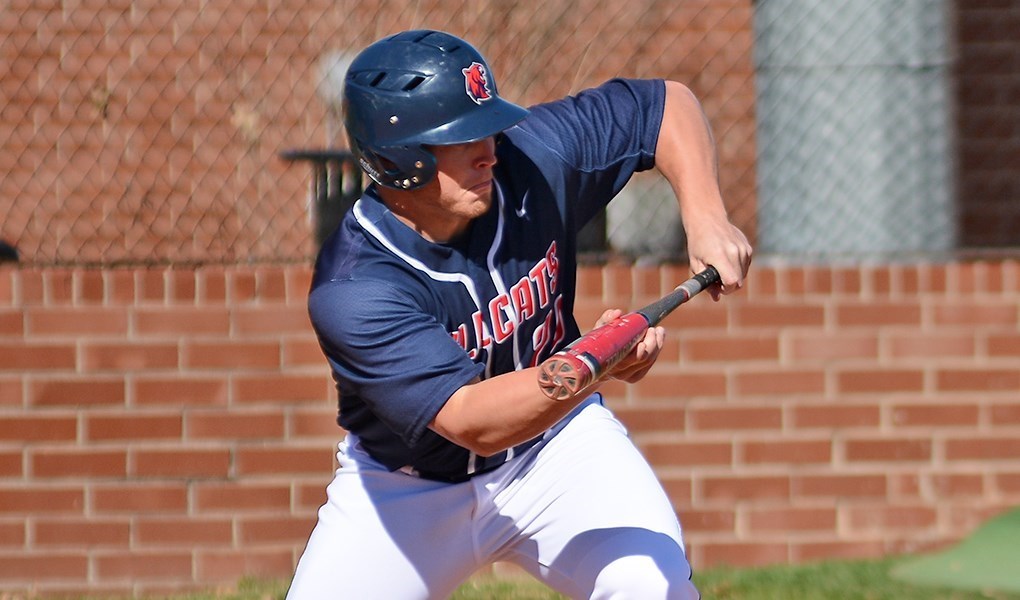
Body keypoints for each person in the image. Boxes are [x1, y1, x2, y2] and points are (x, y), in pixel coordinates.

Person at [287, 29, 752, 600]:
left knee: (649, 585)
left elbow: (662, 104)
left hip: (556, 450)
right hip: (405, 488)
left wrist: (705, 215)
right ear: (398, 160)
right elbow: (473, 423)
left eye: (485, 128)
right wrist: (596, 360)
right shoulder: (356, 287)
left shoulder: (531, 158)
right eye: (460, 139)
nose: (489, 150)